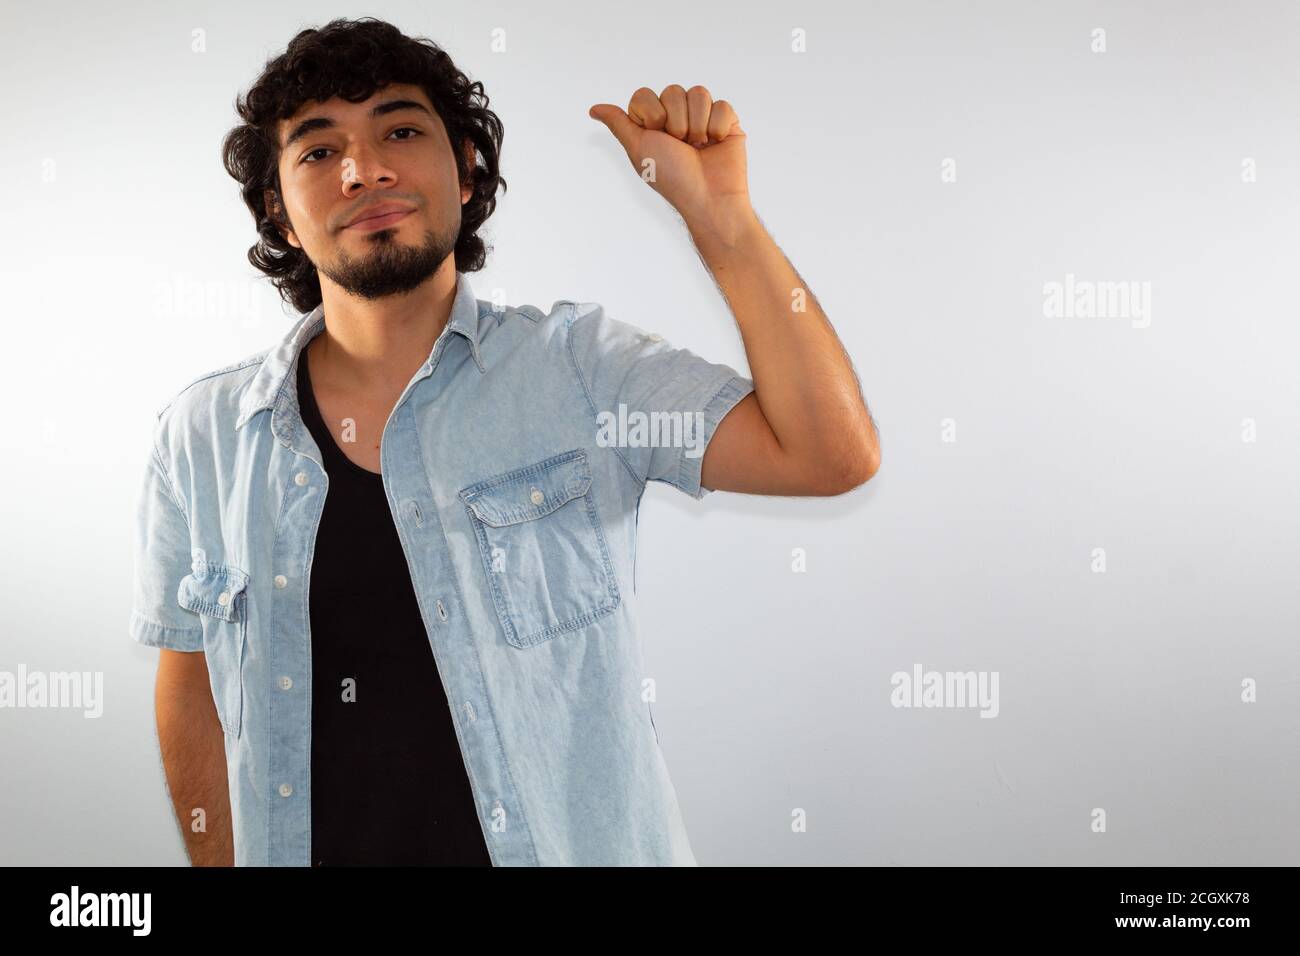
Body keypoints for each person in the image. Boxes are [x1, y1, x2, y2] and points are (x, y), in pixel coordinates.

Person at [129, 16, 880, 867]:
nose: (365, 168)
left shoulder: (581, 371)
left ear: (468, 167)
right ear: (280, 211)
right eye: (316, 150)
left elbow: (828, 454)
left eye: (401, 131)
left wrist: (726, 222)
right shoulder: (203, 435)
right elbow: (188, 683)